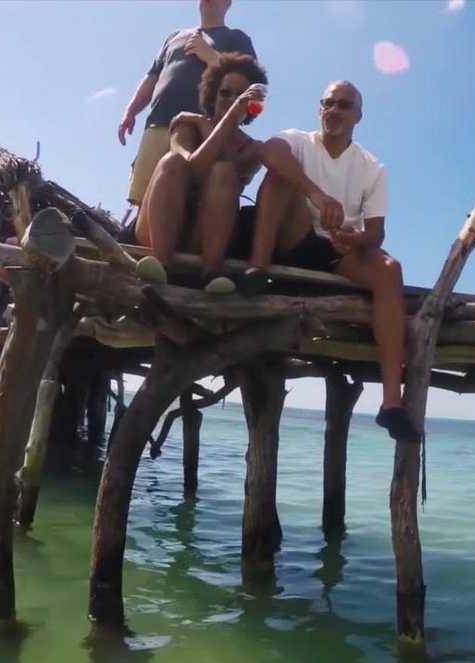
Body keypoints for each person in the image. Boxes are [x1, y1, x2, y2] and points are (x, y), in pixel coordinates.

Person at [241, 81, 416, 443]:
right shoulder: (299, 141)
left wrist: (355, 239)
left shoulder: (371, 167)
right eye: (328, 103)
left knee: (390, 270)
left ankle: (391, 403)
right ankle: (257, 267)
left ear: (358, 115)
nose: (334, 110)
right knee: (281, 174)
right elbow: (267, 151)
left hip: (337, 249)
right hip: (291, 238)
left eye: (344, 105)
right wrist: (318, 196)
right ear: (320, 109)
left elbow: (376, 233)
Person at [132, 53, 268, 293]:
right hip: (158, 227)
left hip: (206, 233)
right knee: (172, 161)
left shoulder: (252, 148)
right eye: (225, 92)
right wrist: (221, 122)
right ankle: (161, 265)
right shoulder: (186, 123)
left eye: (240, 95)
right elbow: (191, 168)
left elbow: (229, 169)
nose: (232, 100)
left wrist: (219, 125)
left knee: (224, 171)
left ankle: (212, 272)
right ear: (213, 94)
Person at [119, 0, 256, 211]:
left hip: (204, 130)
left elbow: (247, 82)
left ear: (228, 3)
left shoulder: (237, 38)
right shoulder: (174, 37)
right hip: (158, 124)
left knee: (188, 203)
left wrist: (210, 56)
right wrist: (130, 111)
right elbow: (152, 77)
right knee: (143, 200)